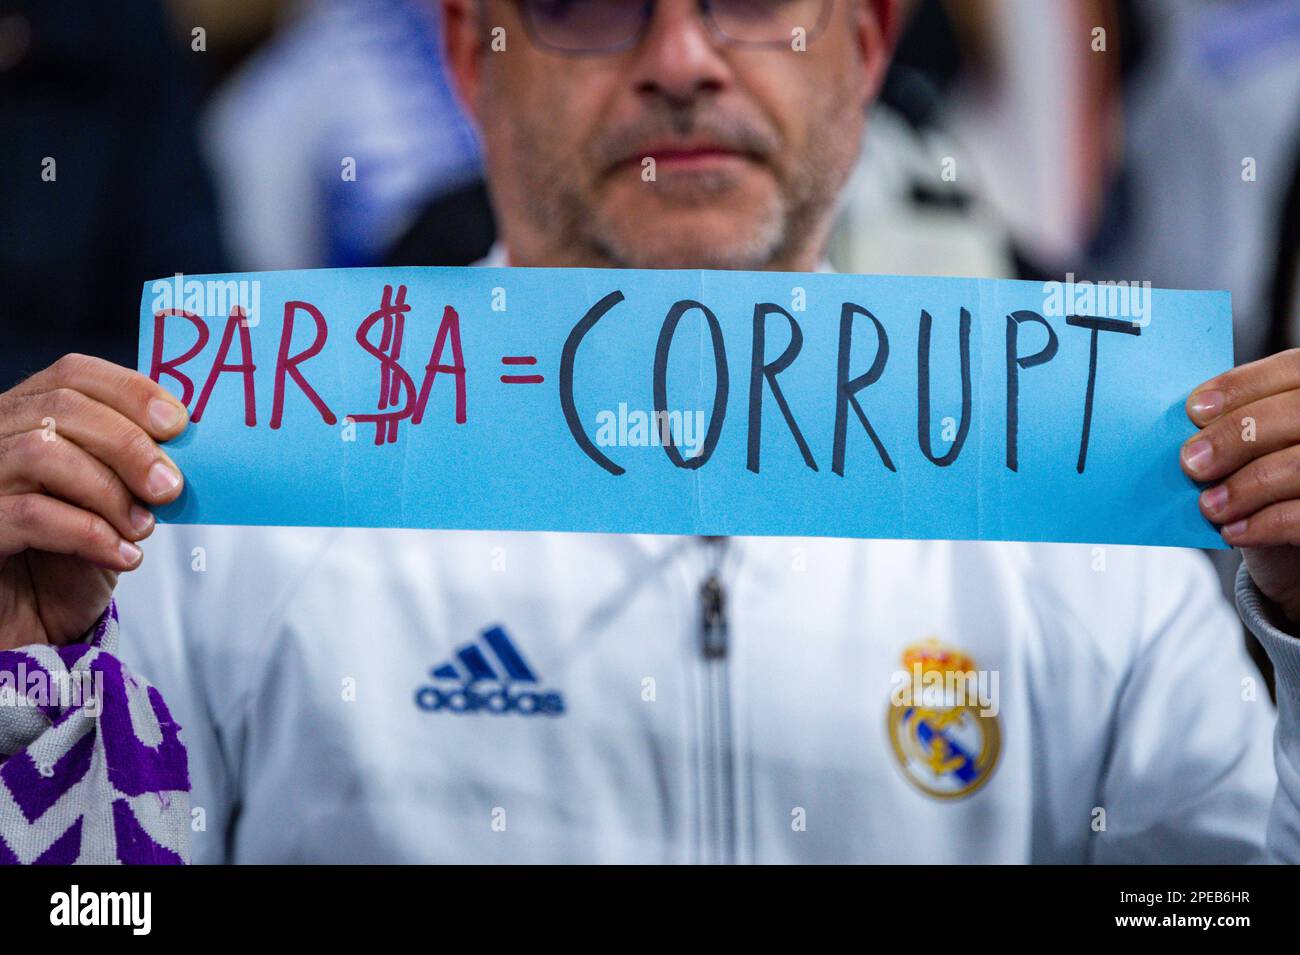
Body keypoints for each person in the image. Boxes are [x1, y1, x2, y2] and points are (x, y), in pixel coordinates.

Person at [3, 0, 1300, 863]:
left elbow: (1222, 886)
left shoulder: (1088, 525)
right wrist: (21, 691)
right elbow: (84, 897)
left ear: (865, 43)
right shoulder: (211, 515)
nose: (680, 54)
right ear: (469, 54)